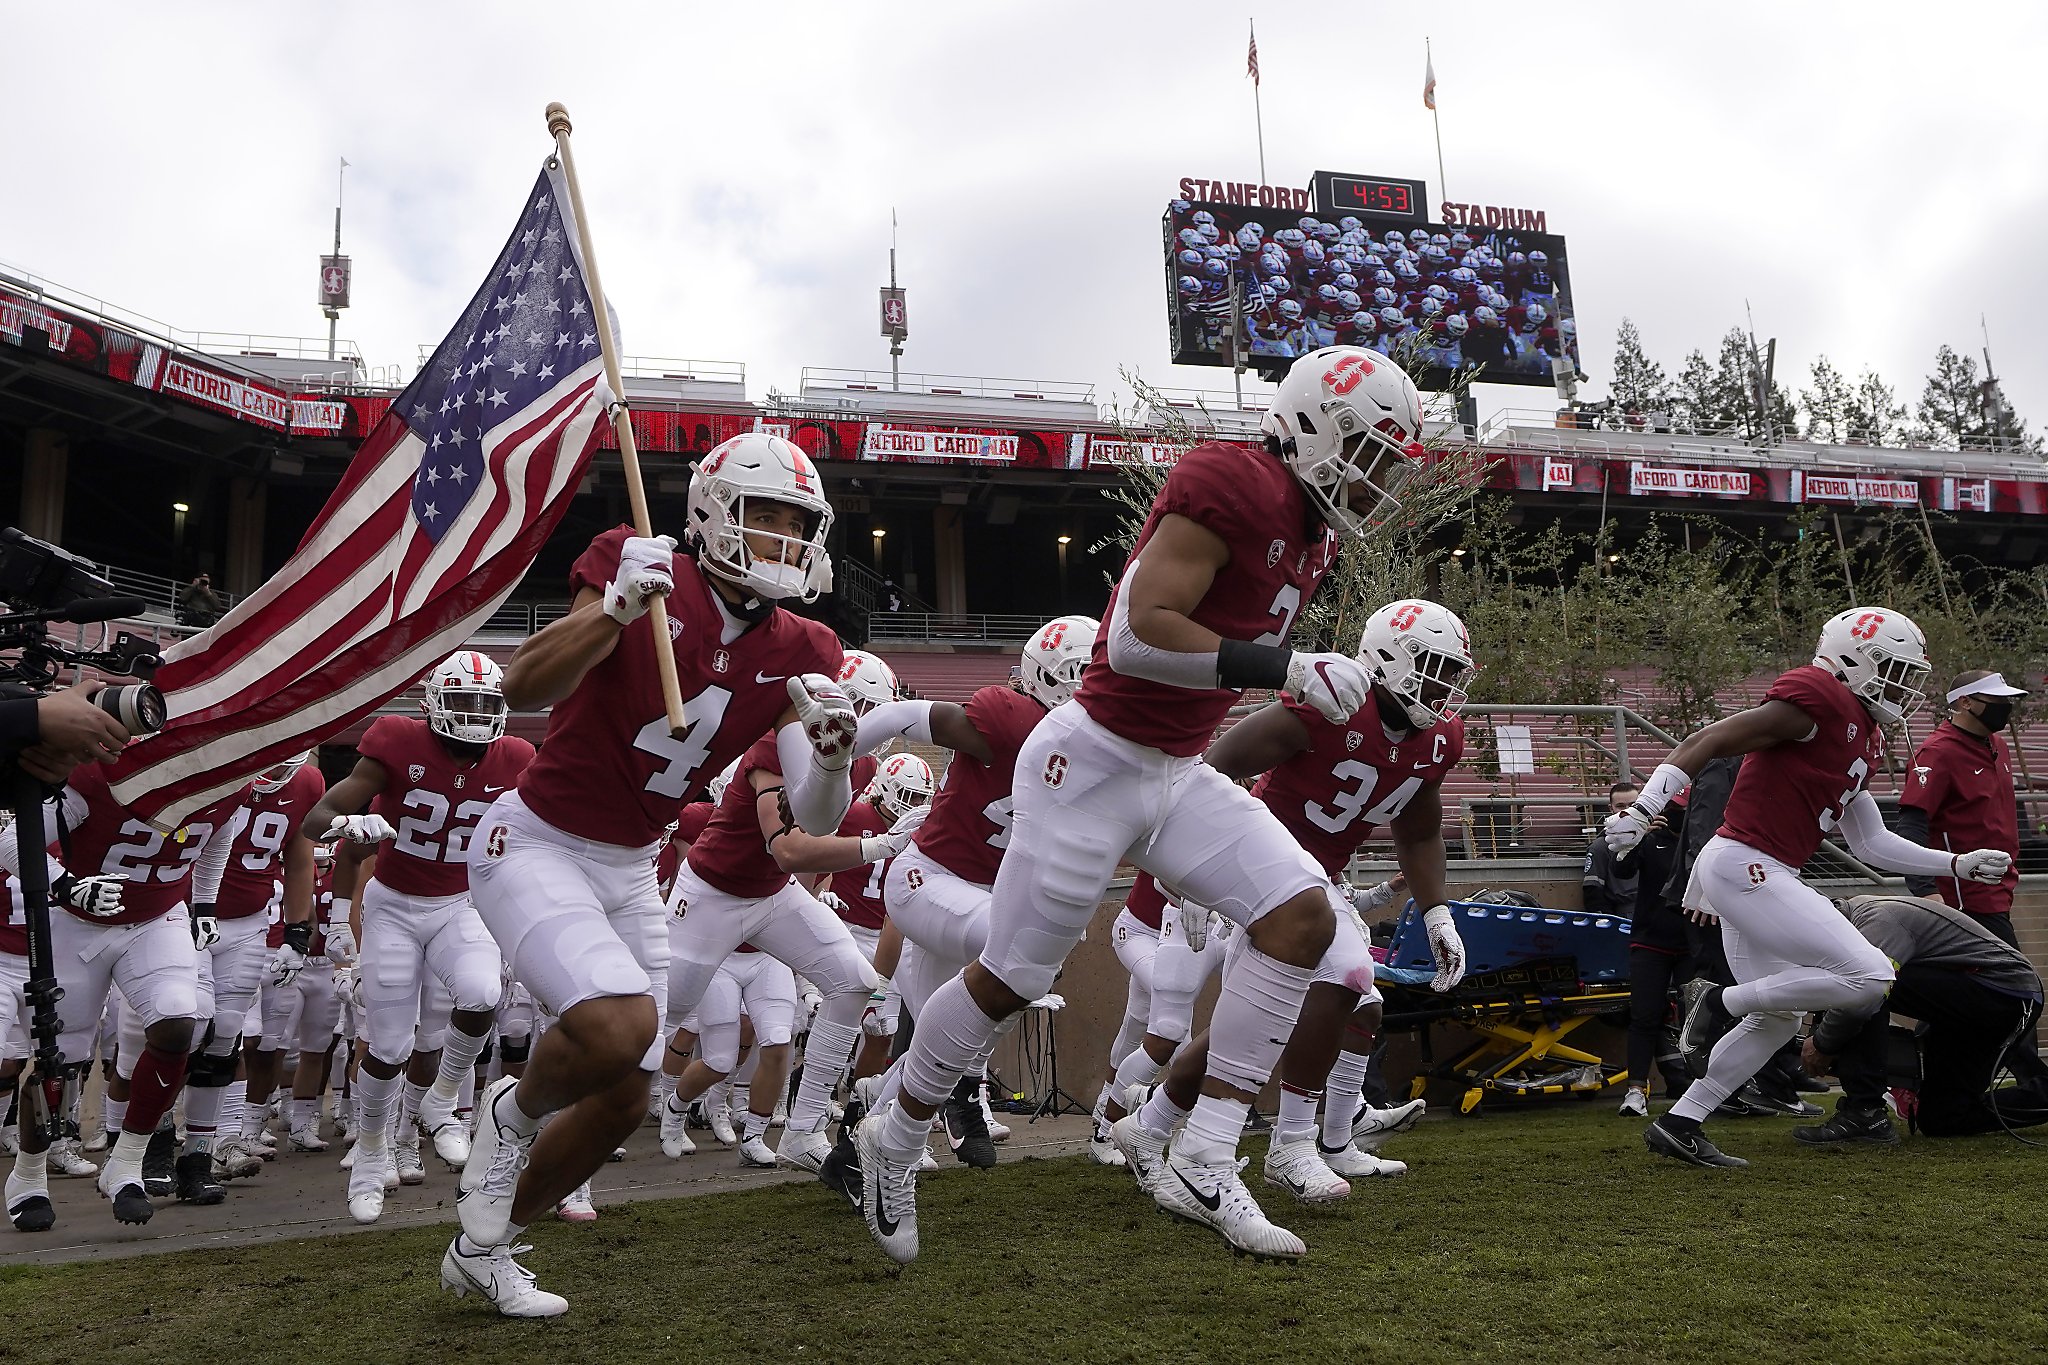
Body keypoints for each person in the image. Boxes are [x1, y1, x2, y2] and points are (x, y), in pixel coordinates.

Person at [845, 345, 1440, 1265]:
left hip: (1174, 768)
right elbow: (1135, 637)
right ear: (1322, 430)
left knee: (1301, 915)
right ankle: (896, 1126)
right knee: (1009, 977)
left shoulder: (1310, 531)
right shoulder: (1233, 481)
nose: (1379, 480)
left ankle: (1204, 1152)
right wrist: (1283, 666)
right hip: (1089, 763)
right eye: (1373, 454)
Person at [448, 431, 856, 1317]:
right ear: (713, 513)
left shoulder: (807, 643)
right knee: (618, 1025)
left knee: (630, 1090)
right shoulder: (639, 566)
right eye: (766, 517)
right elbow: (522, 684)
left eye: (799, 523)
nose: (785, 540)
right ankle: (508, 1119)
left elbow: (817, 818)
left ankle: (486, 1246)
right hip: (538, 838)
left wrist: (830, 759)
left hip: (632, 865)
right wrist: (616, 610)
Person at [1606, 608, 2014, 1169]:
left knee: (1774, 1021)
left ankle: (1681, 1122)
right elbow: (1709, 739)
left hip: (1752, 869)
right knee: (1870, 975)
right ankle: (1715, 1000)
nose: (1902, 686)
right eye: (1893, 669)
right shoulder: (1817, 700)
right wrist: (1645, 806)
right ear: (1853, 658)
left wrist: (1956, 863)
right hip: (1749, 865)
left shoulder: (1862, 734)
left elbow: (1871, 842)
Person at [1116, 598, 1472, 1203]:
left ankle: (1151, 1127)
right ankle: (1294, 1145)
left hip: (1315, 882)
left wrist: (1437, 909)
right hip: (1249, 872)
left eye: (1451, 672)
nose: (1443, 686)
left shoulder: (1440, 739)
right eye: (1432, 667)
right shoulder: (1330, 706)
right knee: (1347, 974)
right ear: (1388, 660)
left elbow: (1419, 828)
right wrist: (1194, 873)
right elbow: (1214, 767)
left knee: (1287, 1013)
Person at [835, 615, 1100, 1182]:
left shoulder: (1095, 749)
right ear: (1047, 675)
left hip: (981, 894)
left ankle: (854, 1146)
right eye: (1078, 674)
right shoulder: (1011, 718)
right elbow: (909, 715)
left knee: (937, 1035)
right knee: (1020, 949)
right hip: (927, 879)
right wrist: (839, 749)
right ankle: (964, 1088)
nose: (1087, 688)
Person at [299, 651, 534, 1225]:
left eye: (486, 705)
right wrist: (345, 824)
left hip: (461, 902)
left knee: (482, 994)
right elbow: (315, 818)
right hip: (395, 906)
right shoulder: (398, 742)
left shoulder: (518, 758)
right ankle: (370, 1156)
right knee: (388, 1047)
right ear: (432, 704)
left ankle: (442, 1100)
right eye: (463, 703)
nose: (476, 717)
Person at [0, 759, 241, 1228]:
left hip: (156, 916)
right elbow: (11, 839)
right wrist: (68, 886)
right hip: (77, 921)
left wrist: (205, 903)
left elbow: (217, 840)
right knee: (62, 1059)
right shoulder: (103, 775)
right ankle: (28, 1173)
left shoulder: (225, 778)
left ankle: (127, 1162)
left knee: (177, 1022)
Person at [1799, 893, 2046, 1142]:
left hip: (2005, 992)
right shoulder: (1857, 921)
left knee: (1867, 984)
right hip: (1971, 1006)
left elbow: (1866, 991)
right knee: (1943, 1118)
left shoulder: (1877, 920)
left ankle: (1865, 1112)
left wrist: (1823, 1043)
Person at [1897, 670, 2028, 946]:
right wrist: (1926, 892)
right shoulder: (1938, 752)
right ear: (1966, 702)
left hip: (1999, 890)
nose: (2004, 708)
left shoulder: (1998, 746)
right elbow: (1911, 827)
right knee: (2019, 984)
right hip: (1961, 898)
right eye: (1996, 700)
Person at [1613, 800, 1690, 1116]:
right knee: (1644, 1016)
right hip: (1650, 941)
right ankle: (1635, 1091)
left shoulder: (1700, 841)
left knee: (1697, 1019)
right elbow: (1622, 869)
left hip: (1690, 943)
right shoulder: (1649, 839)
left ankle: (1703, 1089)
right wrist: (1636, 838)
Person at [1581, 782, 1639, 916]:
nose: (1627, 811)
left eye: (1632, 805)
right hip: (1626, 918)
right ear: (1610, 808)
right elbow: (1593, 894)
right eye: (1620, 806)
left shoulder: (1655, 839)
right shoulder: (1600, 847)